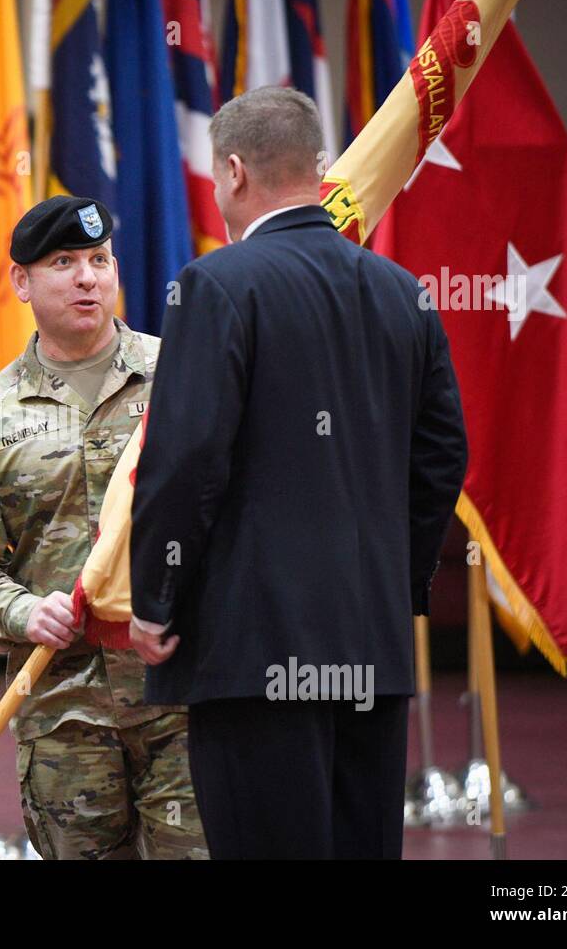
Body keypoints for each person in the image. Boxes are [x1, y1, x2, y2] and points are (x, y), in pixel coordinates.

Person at [128, 86, 468, 859]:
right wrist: (394, 578)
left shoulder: (217, 285)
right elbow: (443, 452)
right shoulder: (401, 291)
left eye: (218, 179)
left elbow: (187, 459)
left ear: (237, 172)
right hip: (369, 648)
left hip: (254, 653)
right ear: (315, 168)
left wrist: (156, 599)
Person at [0, 196, 208, 860]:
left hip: (184, 699)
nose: (87, 277)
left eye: (98, 260)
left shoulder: (183, 380)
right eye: (63, 263)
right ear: (20, 281)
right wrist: (19, 610)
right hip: (65, 714)